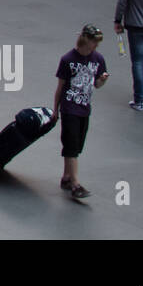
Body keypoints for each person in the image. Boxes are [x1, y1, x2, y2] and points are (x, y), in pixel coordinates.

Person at [51, 24, 110, 201]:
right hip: (70, 107)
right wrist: (56, 109)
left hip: (84, 108)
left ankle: (67, 177)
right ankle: (76, 184)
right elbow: (60, 86)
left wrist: (102, 80)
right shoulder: (68, 59)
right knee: (71, 146)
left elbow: (97, 85)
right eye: (94, 42)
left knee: (76, 146)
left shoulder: (98, 59)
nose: (95, 46)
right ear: (86, 40)